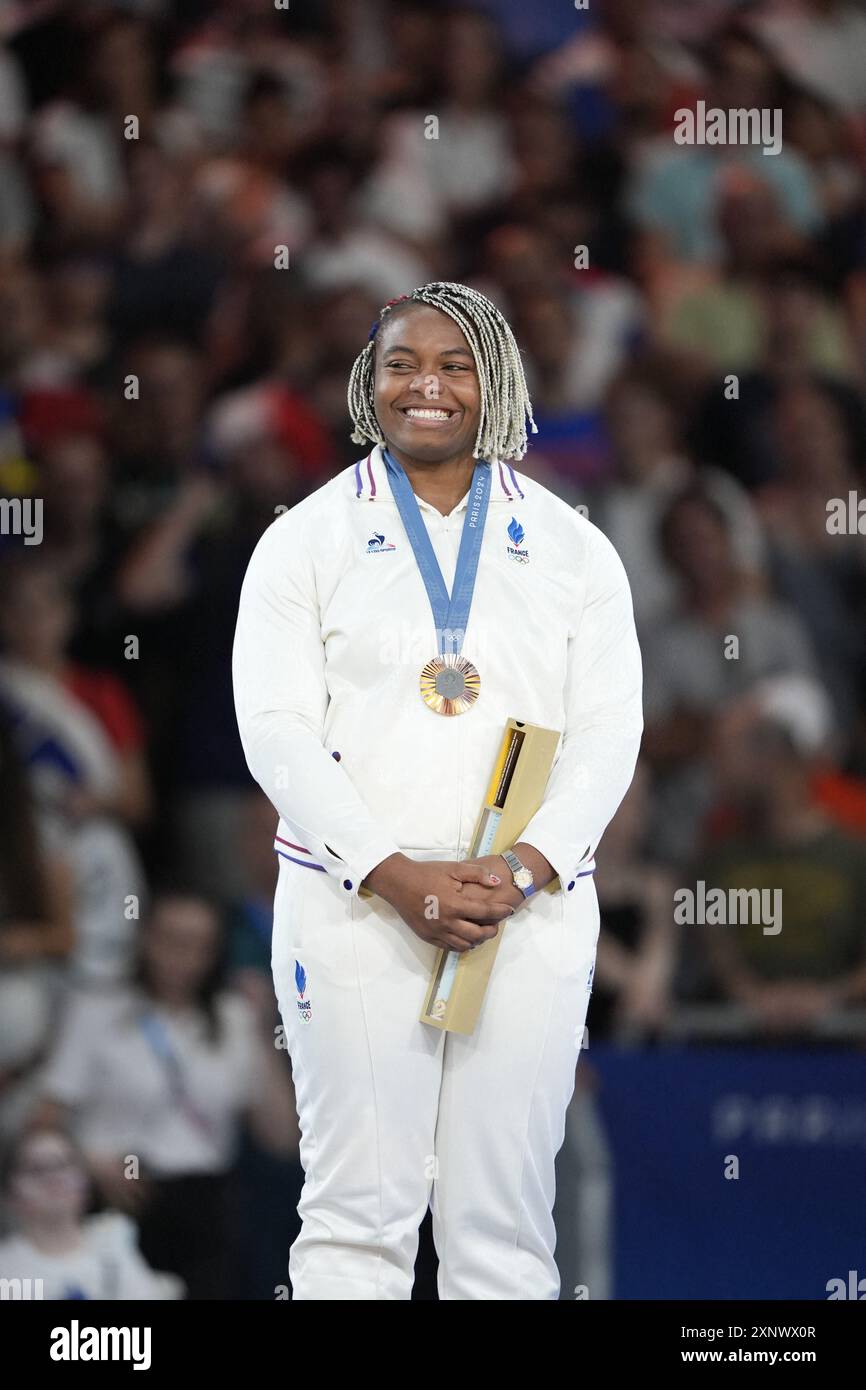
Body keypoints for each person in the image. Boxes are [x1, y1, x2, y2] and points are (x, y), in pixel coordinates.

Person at [232, 281, 643, 1301]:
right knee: (354, 1220)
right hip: (355, 903)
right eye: (400, 364)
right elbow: (275, 734)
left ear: (493, 380)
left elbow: (607, 733)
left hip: (527, 908)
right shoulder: (303, 540)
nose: (426, 385)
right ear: (366, 386)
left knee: (502, 1228)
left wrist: (518, 866)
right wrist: (392, 872)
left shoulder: (572, 549)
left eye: (453, 364)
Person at [36, 892, 298, 1300]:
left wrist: (262, 1027)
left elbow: (281, 1138)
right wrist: (87, 1159)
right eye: (171, 940)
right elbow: (45, 1122)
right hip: (114, 1196)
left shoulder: (232, 1018)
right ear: (144, 937)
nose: (184, 958)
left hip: (204, 1205)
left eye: (200, 946)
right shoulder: (97, 1008)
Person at [0, 1122, 183, 1301]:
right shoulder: (6, 1267)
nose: (54, 1178)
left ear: (85, 1180)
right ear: (10, 1191)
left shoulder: (116, 1238)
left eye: (63, 1165)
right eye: (37, 1169)